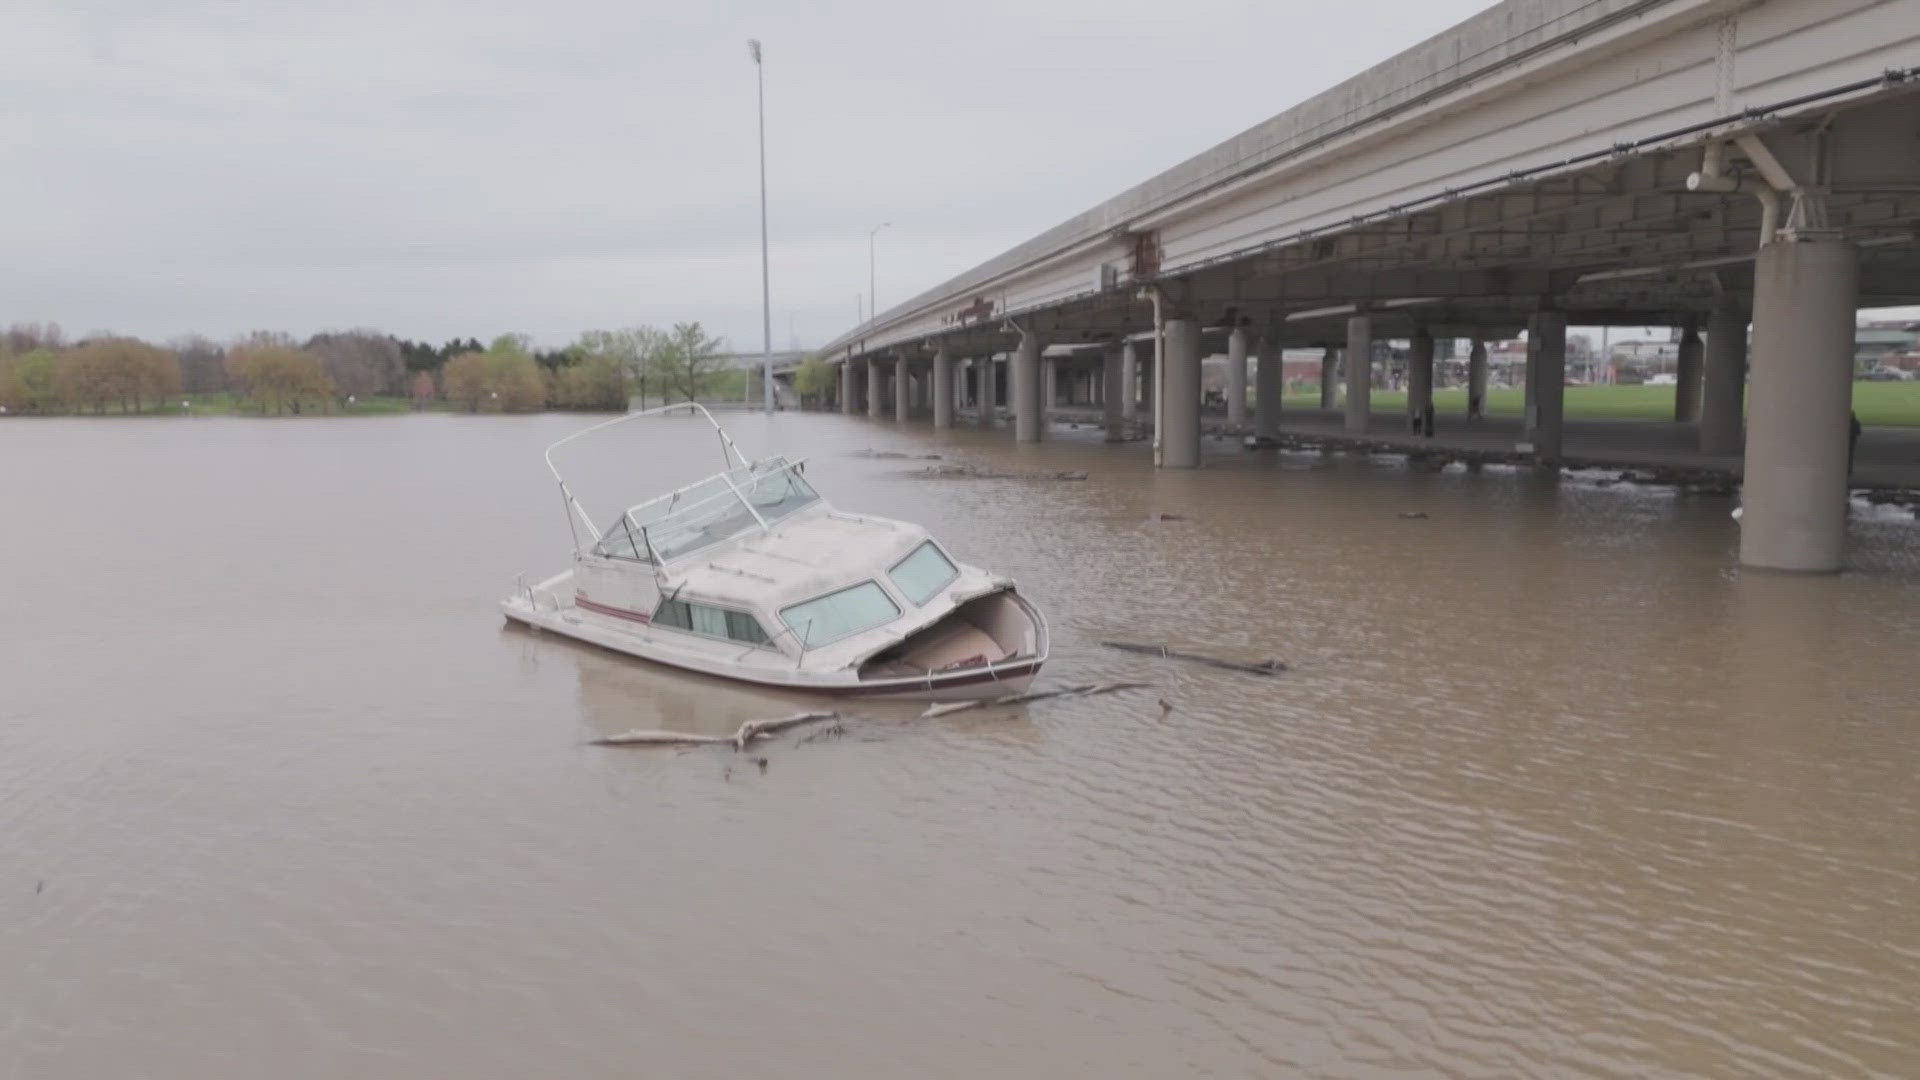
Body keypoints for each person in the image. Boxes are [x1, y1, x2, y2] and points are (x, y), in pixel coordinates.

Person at [1849, 411, 1863, 477]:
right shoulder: (1856, 423)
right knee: (1850, 456)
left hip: (1851, 441)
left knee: (1849, 456)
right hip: (1852, 441)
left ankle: (1848, 469)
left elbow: (1858, 432)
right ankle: (1849, 469)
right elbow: (1858, 432)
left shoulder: (1850, 423)